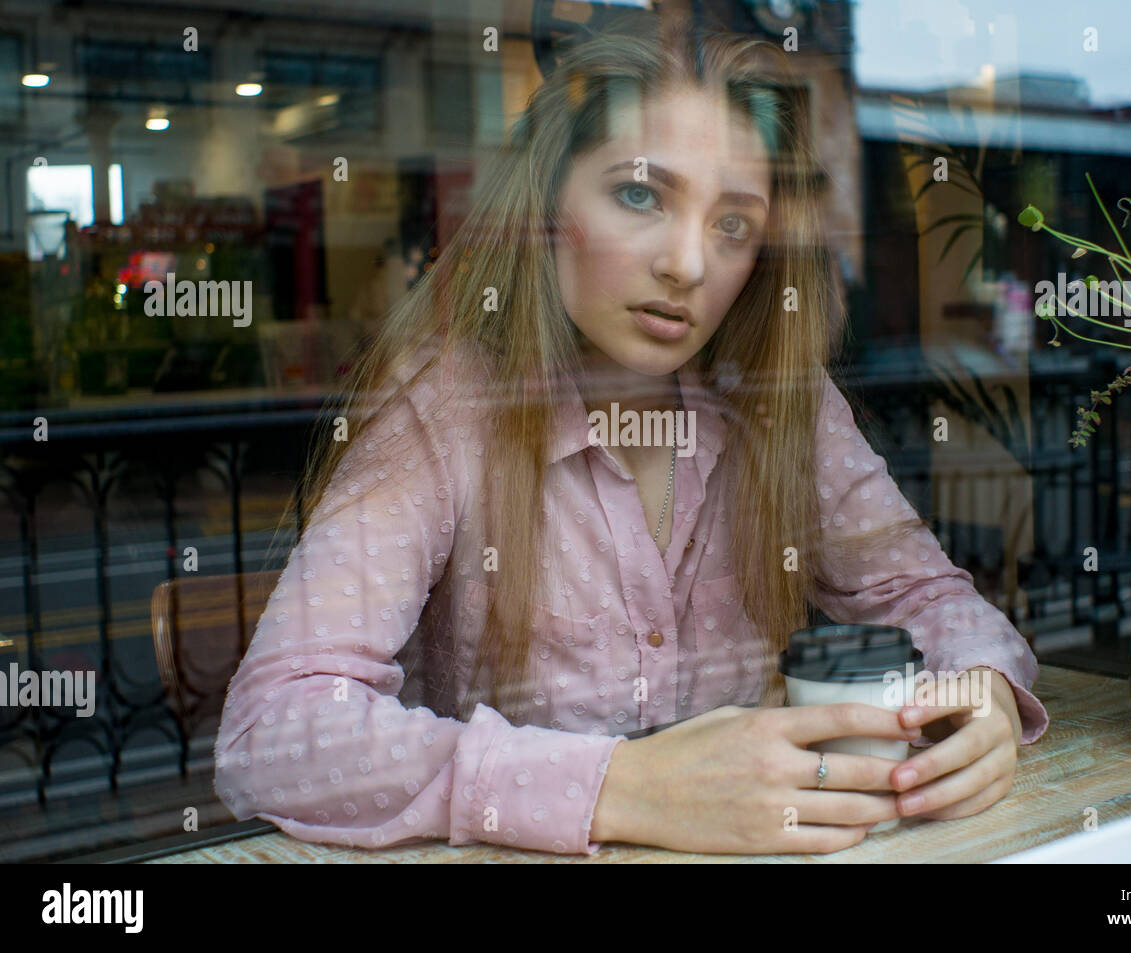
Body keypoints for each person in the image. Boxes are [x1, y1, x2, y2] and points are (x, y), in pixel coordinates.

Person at [214, 10, 1048, 857]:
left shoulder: (779, 397)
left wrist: (983, 690)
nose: (686, 263)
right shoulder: (447, 407)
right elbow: (274, 733)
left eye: (733, 224)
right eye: (640, 194)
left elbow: (928, 600)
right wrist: (620, 787)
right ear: (546, 201)